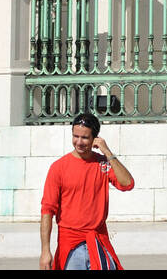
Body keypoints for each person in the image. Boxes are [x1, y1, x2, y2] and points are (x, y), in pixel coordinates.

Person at [39, 112, 134, 270]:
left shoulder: (103, 163)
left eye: (84, 138)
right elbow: (47, 210)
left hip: (98, 242)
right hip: (69, 245)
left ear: (95, 139)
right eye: (75, 136)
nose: (79, 142)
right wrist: (45, 251)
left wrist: (107, 152)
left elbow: (127, 184)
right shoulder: (58, 168)